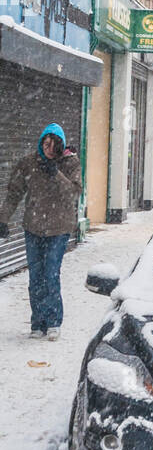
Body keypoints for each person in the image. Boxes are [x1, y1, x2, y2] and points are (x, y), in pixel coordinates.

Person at [0, 123, 81, 339]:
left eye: (53, 145)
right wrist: (3, 219)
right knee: (36, 276)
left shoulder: (70, 163)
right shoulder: (29, 163)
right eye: (45, 144)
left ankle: (54, 321)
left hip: (59, 228)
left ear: (60, 146)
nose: (48, 149)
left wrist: (57, 174)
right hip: (34, 227)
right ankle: (38, 323)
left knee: (50, 274)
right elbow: (14, 192)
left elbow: (74, 192)